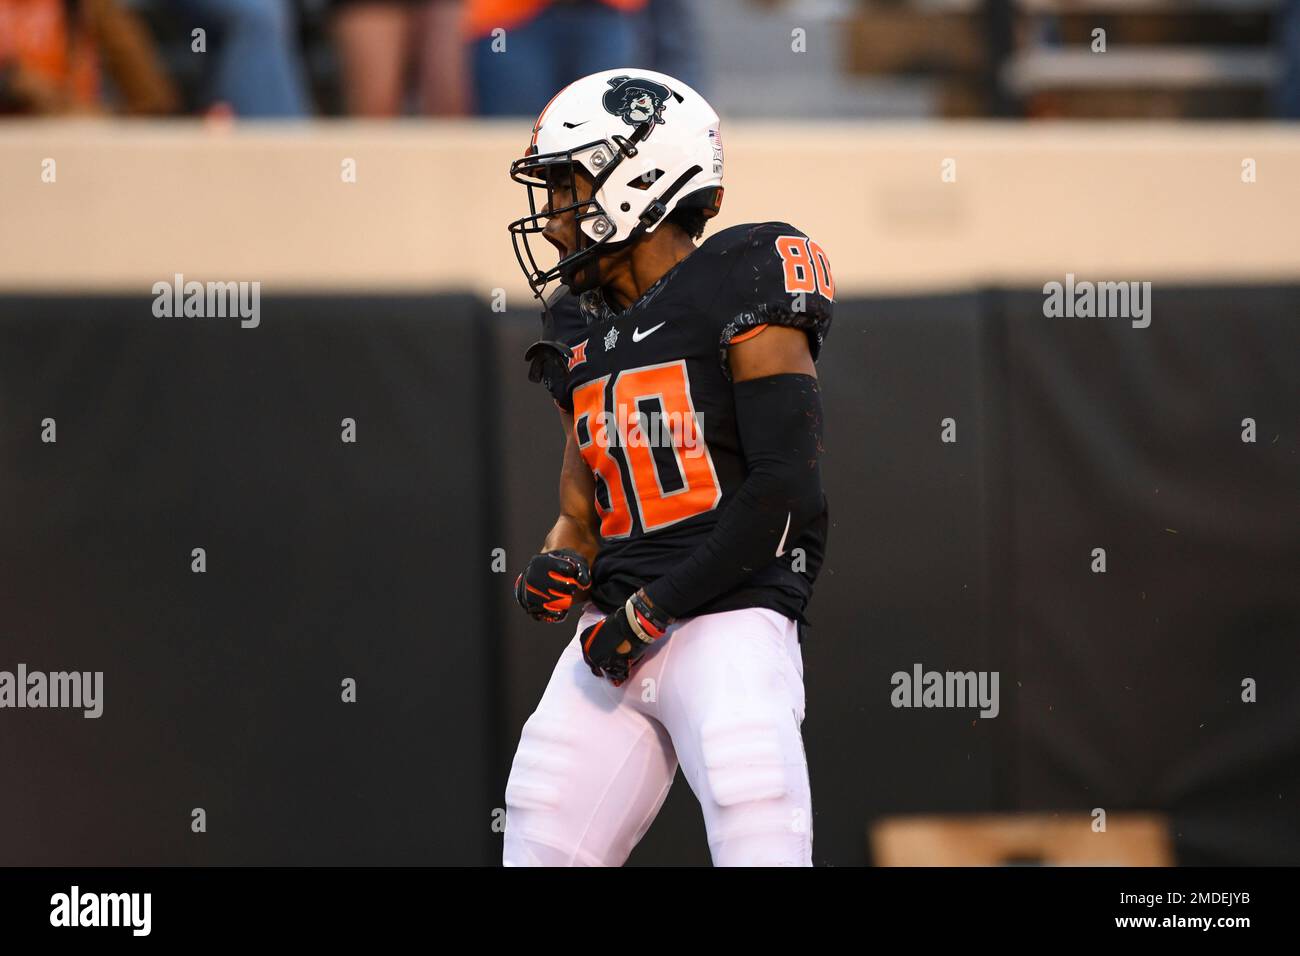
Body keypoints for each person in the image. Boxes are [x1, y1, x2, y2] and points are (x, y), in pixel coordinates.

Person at [502, 69, 834, 866]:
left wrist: (651, 613)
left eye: (566, 189)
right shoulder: (577, 327)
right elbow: (585, 505)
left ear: (638, 176)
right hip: (611, 630)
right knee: (538, 820)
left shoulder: (744, 273)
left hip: (727, 621)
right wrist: (560, 558)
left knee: (750, 802)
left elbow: (787, 492)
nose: (553, 221)